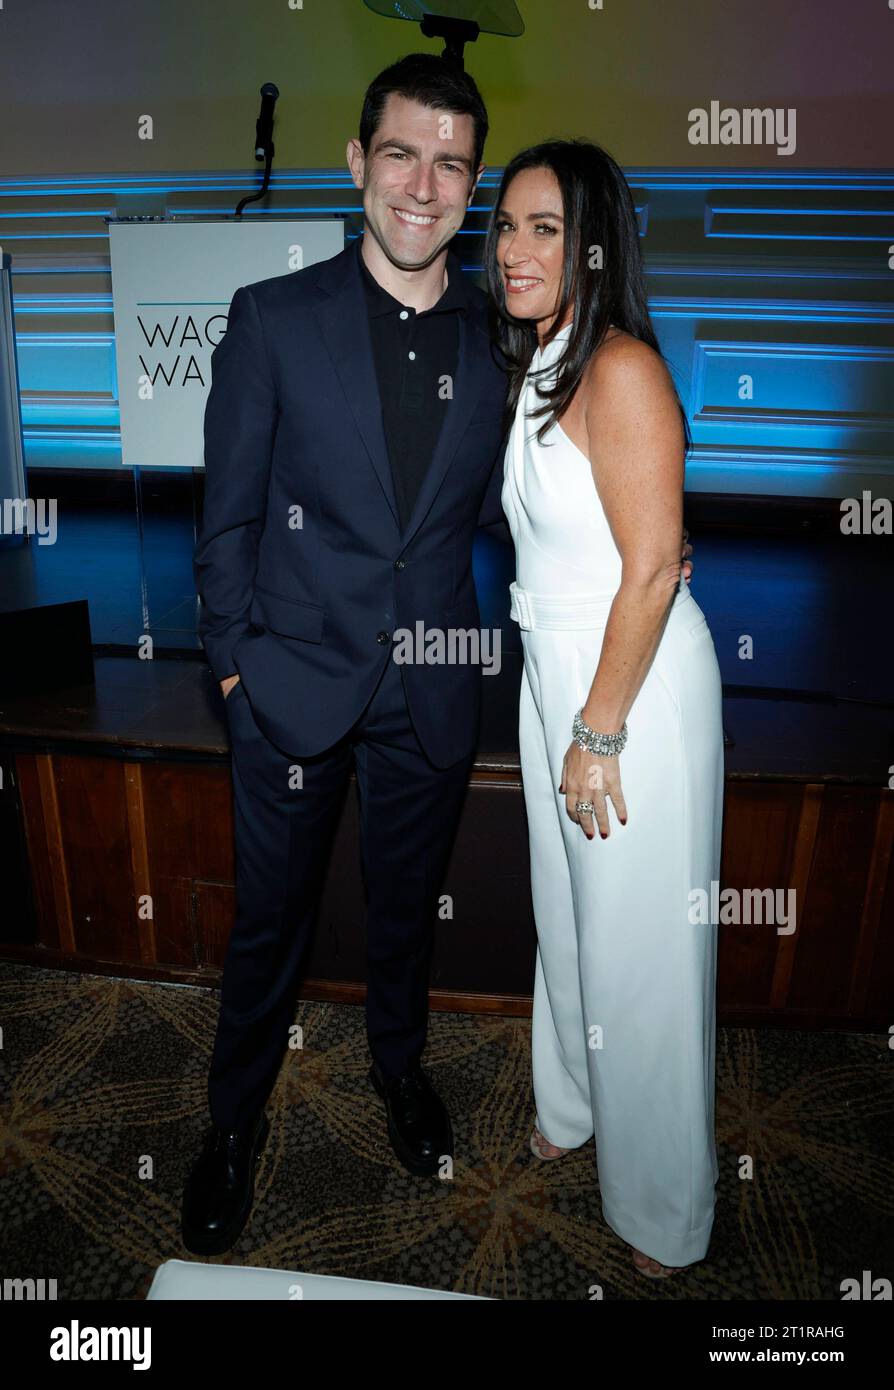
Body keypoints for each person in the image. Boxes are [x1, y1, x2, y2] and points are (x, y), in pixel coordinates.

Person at [182, 55, 693, 1258]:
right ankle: (229, 1124)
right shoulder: (274, 318)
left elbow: (598, 456)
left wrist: (665, 540)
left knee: (406, 911)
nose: (425, 183)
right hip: (290, 689)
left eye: (453, 162)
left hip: (430, 687)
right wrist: (236, 673)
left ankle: (401, 1075)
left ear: (469, 184)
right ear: (358, 164)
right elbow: (225, 522)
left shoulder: (503, 330)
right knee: (272, 924)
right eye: (401, 153)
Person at [488, 140, 724, 1279]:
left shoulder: (619, 366)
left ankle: (666, 1209)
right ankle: (575, 1107)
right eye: (507, 225)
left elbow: (650, 566)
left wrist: (597, 732)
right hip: (559, 680)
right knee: (568, 916)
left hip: (625, 702)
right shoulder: (545, 360)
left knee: (640, 957)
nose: (515, 249)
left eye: (545, 228)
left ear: (592, 245)